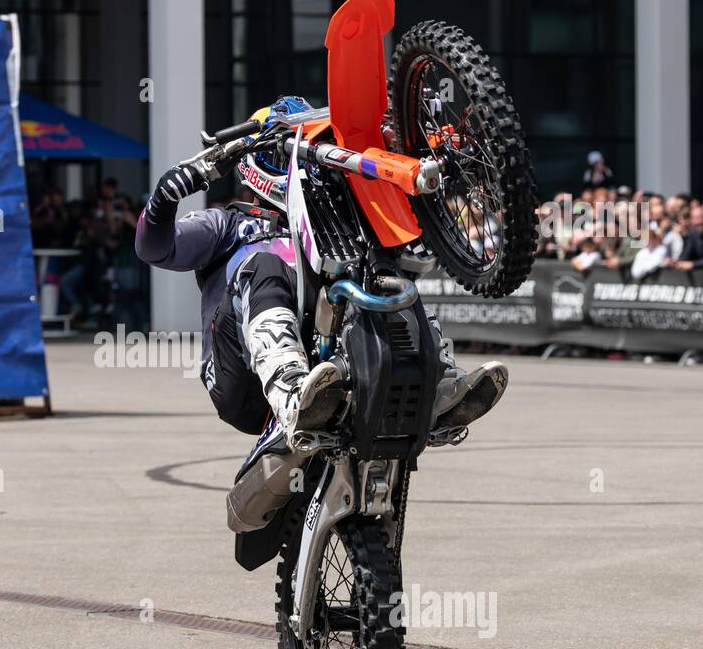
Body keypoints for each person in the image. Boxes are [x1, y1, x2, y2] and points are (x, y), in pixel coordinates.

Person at [134, 95, 507, 444]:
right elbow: (156, 249)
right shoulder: (230, 224)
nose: (297, 164)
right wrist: (163, 202)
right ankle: (290, 388)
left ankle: (436, 385)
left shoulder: (338, 227)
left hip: (330, 374)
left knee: (384, 270)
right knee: (264, 265)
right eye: (281, 154)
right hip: (242, 382)